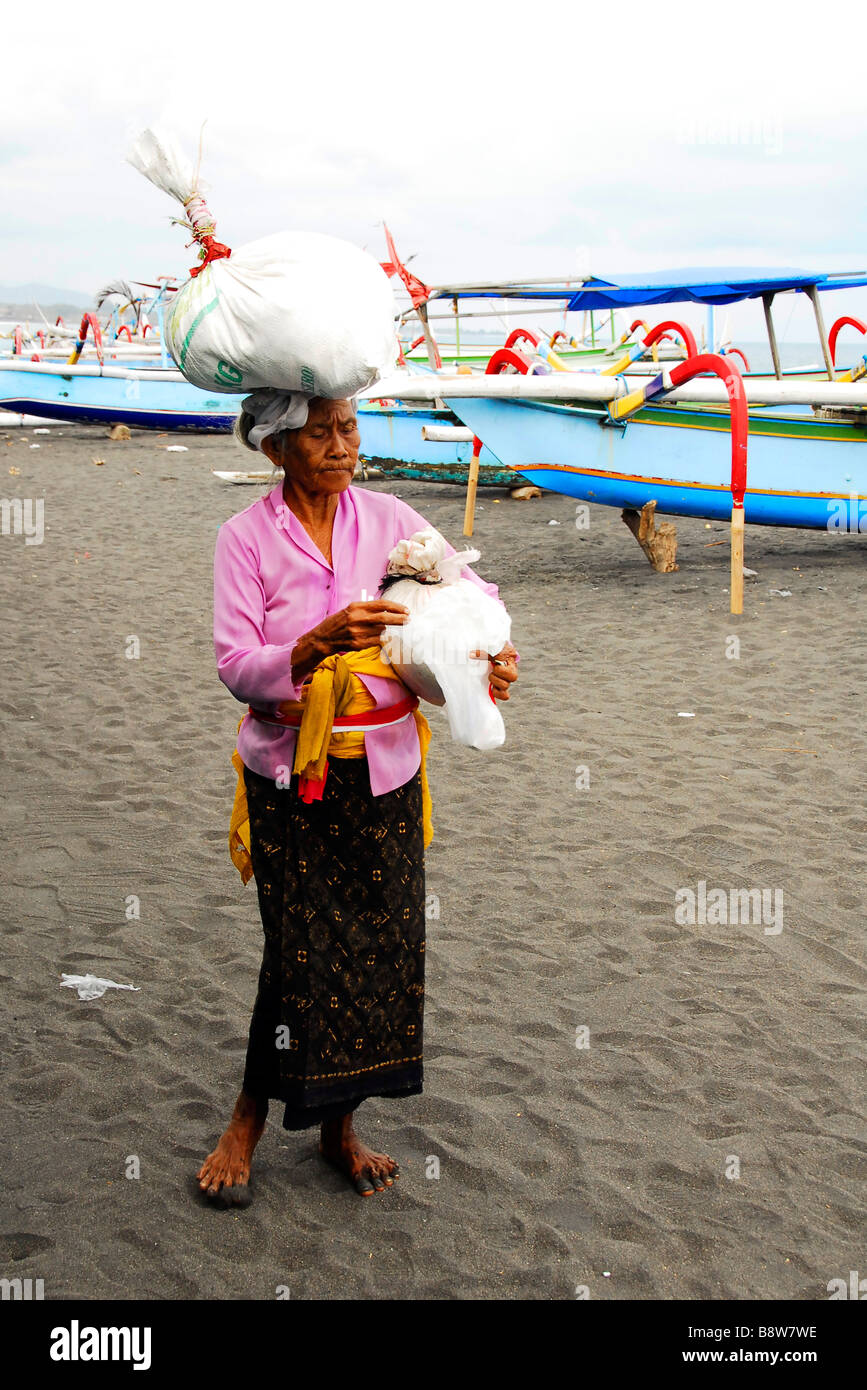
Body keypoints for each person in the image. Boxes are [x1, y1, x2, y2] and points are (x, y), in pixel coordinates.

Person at [197, 392, 518, 1202]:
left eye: (347, 429)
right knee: (297, 944)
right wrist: (312, 644)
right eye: (318, 434)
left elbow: (467, 599)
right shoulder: (244, 539)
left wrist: (489, 656)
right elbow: (237, 664)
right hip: (290, 770)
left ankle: (341, 1128)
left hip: (387, 772)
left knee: (380, 945)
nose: (340, 446)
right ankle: (248, 1114)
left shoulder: (389, 519)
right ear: (275, 449)